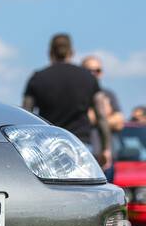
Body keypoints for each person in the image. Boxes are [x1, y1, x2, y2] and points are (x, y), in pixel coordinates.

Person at [22, 33, 111, 168]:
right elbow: (101, 117)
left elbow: (25, 116)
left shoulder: (37, 78)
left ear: (50, 53)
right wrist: (106, 148)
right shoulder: (88, 78)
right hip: (80, 145)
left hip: (47, 145)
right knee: (81, 188)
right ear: (72, 52)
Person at [81, 55, 125, 165]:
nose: (94, 74)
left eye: (97, 70)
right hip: (86, 155)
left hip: (107, 156)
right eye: (89, 70)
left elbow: (120, 122)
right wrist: (105, 114)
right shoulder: (79, 95)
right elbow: (85, 120)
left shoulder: (109, 94)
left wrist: (97, 117)